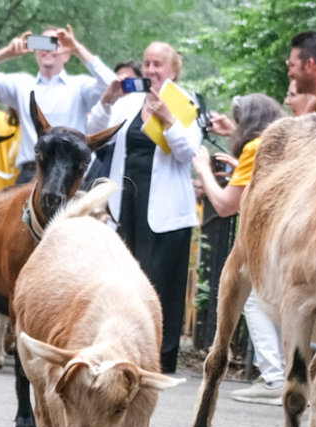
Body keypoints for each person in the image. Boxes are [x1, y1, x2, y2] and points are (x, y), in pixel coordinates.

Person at [86, 41, 198, 374]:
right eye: (147, 63)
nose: (150, 70)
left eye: (158, 64)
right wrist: (107, 101)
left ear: (173, 70)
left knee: (160, 282)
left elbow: (188, 152)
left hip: (166, 211)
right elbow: (96, 135)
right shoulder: (129, 102)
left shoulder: (184, 102)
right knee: (125, 280)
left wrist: (168, 120)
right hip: (127, 203)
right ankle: (123, 348)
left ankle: (160, 357)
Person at [193, 92, 287, 402]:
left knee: (255, 300)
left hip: (266, 237)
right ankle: (288, 376)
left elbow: (224, 205)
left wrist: (204, 169)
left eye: (238, 122)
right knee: (283, 303)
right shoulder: (281, 142)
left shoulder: (253, 148)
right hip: (289, 236)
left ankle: (273, 378)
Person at [0, 24, 114, 186]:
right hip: (32, 174)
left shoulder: (80, 86)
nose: (47, 49)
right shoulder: (21, 85)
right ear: (36, 52)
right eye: (42, 43)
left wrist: (78, 49)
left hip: (69, 174)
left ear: (66, 55)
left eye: (55, 44)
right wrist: (6, 53)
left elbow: (112, 84)